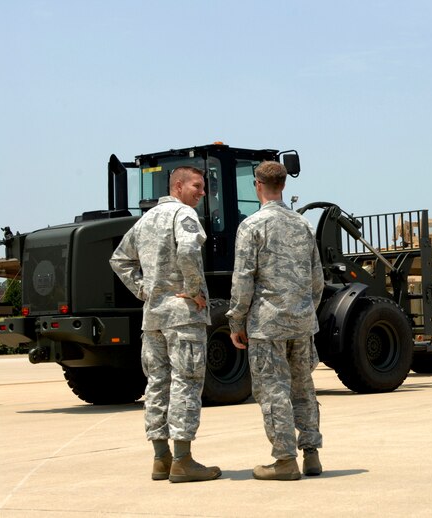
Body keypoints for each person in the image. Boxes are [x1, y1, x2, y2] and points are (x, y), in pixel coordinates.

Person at [110, 166, 221, 483]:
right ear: (178, 186)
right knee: (186, 383)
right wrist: (196, 289)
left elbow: (120, 259)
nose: (202, 193)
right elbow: (187, 249)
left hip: (154, 318)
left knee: (157, 386)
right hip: (182, 317)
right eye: (197, 186)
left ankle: (161, 459)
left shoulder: (145, 220)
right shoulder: (182, 215)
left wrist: (145, 290)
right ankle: (183, 461)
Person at [226, 160, 324, 481]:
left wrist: (236, 322)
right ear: (283, 186)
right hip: (302, 323)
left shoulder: (252, 226)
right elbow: (316, 280)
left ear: (258, 185)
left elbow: (243, 279)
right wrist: (306, 312)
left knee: (273, 390)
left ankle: (284, 460)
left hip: (267, 325)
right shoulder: (303, 225)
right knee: (303, 387)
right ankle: (311, 454)